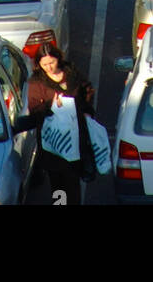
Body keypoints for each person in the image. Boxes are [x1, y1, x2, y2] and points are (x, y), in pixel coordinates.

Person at [15, 43, 96, 206]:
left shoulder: (71, 73)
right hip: (53, 142)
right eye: (45, 64)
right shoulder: (37, 82)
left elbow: (86, 91)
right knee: (58, 184)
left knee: (73, 182)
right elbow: (35, 109)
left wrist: (85, 110)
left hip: (74, 138)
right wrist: (52, 106)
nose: (49, 67)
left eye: (51, 62)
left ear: (58, 59)